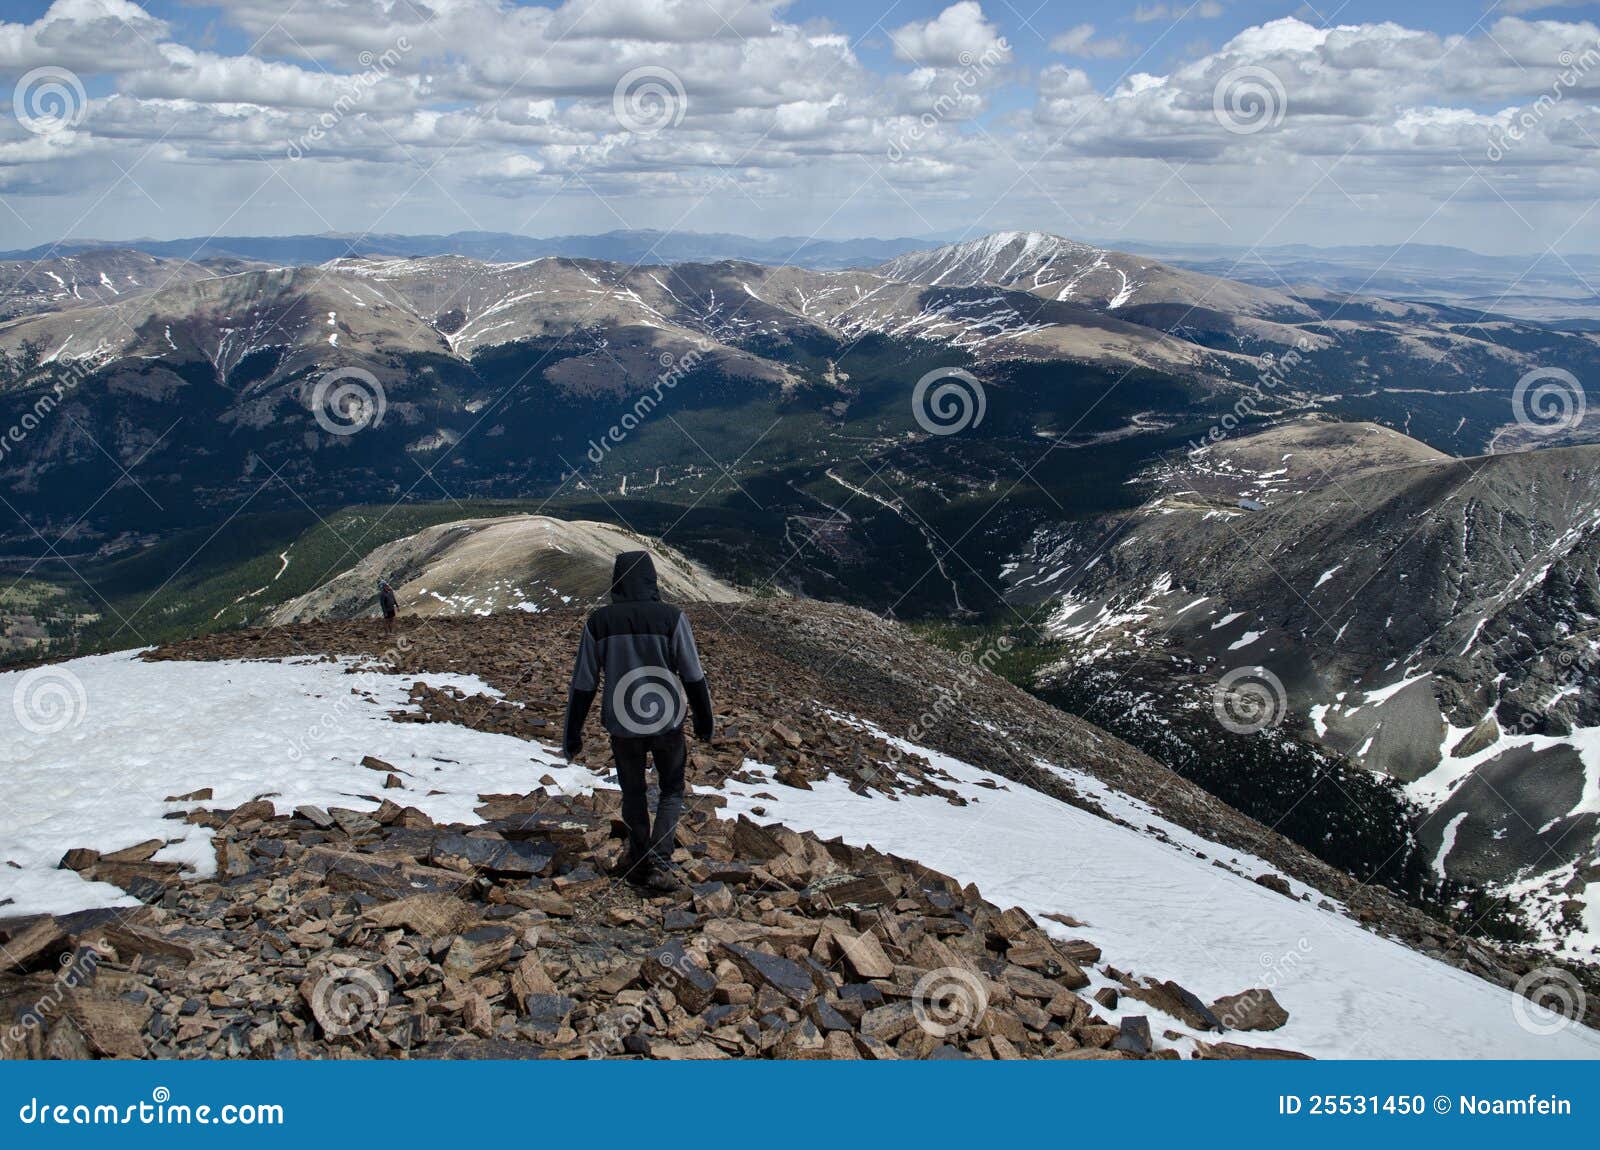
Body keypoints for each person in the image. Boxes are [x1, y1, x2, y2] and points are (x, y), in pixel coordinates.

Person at [563, 551, 714, 891]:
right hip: (667, 720)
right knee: (671, 790)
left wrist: (572, 734)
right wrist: (705, 721)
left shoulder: (598, 622)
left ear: (617, 579)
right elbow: (693, 674)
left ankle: (638, 858)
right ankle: (659, 863)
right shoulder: (671, 617)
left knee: (632, 791)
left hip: (622, 722)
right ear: (651, 579)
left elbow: (584, 683)